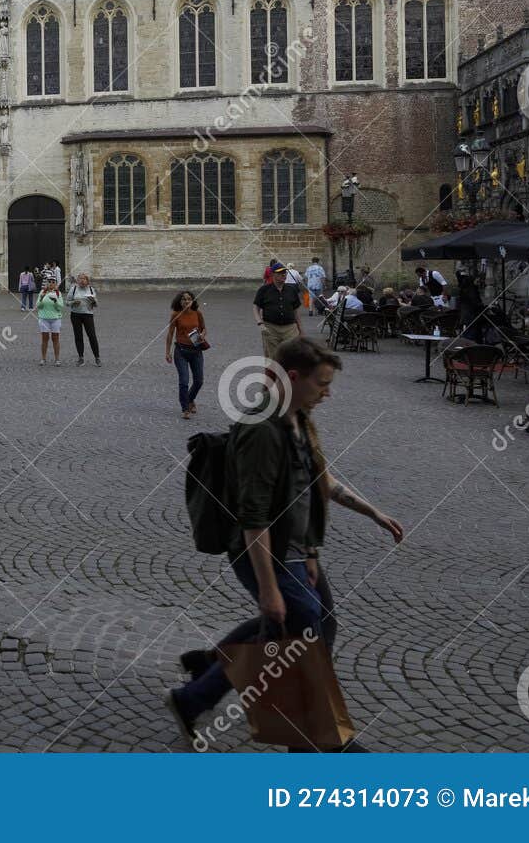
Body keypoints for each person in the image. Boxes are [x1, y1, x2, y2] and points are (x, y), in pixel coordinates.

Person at [164, 338, 405, 748]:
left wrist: (370, 513)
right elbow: (252, 516)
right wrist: (270, 589)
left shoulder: (299, 417)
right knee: (302, 628)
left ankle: (200, 685)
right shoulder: (261, 429)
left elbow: (315, 482)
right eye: (322, 384)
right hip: (267, 551)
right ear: (293, 378)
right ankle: (319, 740)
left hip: (296, 549)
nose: (328, 393)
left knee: (308, 625)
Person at [164, 291, 207, 419]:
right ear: (179, 301)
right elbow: (170, 333)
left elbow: (204, 328)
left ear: (192, 301)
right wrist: (168, 352)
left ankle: (190, 399)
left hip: (196, 351)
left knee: (199, 381)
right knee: (184, 381)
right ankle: (185, 408)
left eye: (189, 299)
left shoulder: (198, 313)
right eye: (183, 299)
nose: (186, 301)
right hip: (181, 351)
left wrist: (202, 335)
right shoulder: (175, 314)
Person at [253, 262, 304, 358]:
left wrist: (301, 330)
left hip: (290, 328)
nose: (284, 274)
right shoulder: (264, 290)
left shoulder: (291, 290)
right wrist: (260, 323)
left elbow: (296, 311)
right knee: (272, 357)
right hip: (271, 328)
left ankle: (288, 373)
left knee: (291, 356)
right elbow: (256, 307)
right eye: (280, 273)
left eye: (285, 272)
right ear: (273, 274)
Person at [65, 272, 101, 366]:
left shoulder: (91, 289)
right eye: (80, 279)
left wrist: (93, 301)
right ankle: (81, 357)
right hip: (75, 315)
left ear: (87, 280)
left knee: (92, 336)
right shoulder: (73, 289)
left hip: (88, 315)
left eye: (84, 279)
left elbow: (96, 305)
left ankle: (97, 357)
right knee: (78, 336)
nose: (82, 280)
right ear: (77, 280)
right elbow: (67, 302)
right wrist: (73, 303)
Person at [35, 279, 65, 366]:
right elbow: (38, 306)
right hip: (44, 318)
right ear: (46, 283)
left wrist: (55, 301)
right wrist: (41, 297)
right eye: (49, 282)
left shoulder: (58, 293)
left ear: (55, 284)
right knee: (45, 339)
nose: (51, 284)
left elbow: (60, 307)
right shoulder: (42, 292)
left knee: (55, 338)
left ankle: (57, 359)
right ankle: (43, 358)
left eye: (53, 282)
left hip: (55, 319)